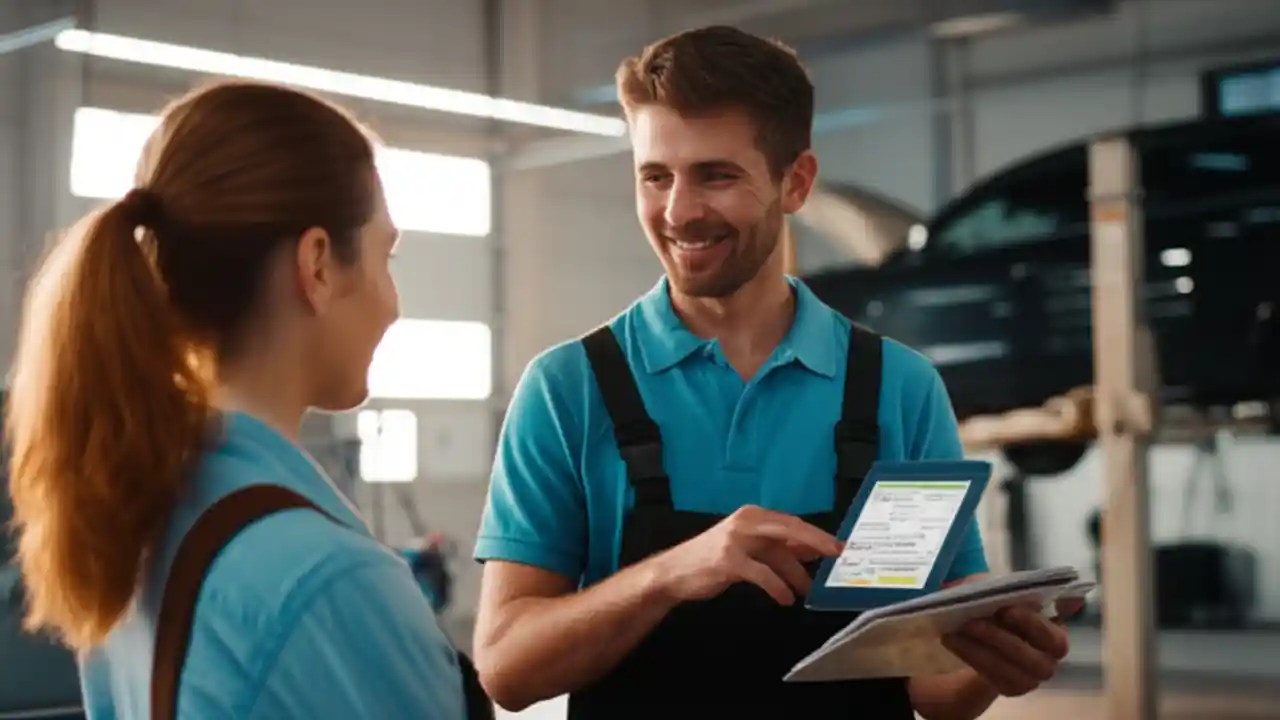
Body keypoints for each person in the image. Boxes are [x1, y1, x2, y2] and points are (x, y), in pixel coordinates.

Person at [472, 26, 1080, 718]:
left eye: (715, 175)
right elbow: (507, 670)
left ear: (796, 182)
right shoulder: (567, 390)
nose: (678, 212)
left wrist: (996, 663)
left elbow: (933, 688)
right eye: (655, 176)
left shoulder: (898, 390)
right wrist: (672, 573)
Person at [5, 81, 465, 719]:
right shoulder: (328, 581)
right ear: (319, 264)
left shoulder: (128, 520)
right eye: (386, 257)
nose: (394, 305)